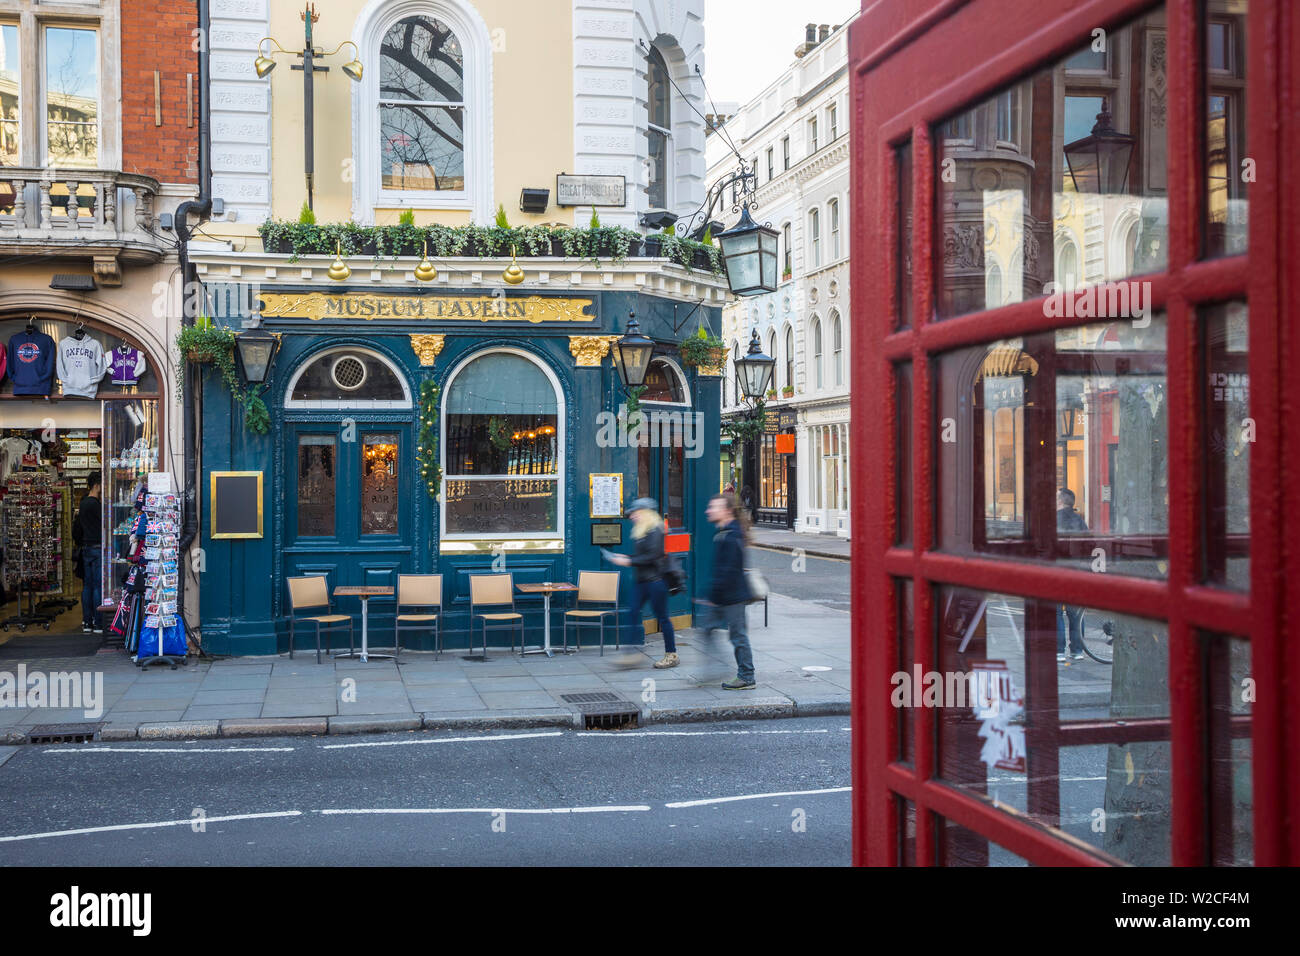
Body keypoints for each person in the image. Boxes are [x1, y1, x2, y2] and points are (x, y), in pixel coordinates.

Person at [606, 497, 678, 668]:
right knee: (632, 613)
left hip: (655, 582)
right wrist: (627, 558)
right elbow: (642, 557)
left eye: (636, 513)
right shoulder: (642, 532)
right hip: (641, 582)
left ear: (646, 513)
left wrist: (629, 561)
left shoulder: (656, 531)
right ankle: (630, 655)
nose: (632, 516)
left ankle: (671, 654)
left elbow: (652, 556)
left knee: (663, 618)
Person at [697, 492, 757, 690]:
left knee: (737, 635)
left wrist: (714, 597)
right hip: (724, 595)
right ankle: (716, 668)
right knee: (707, 630)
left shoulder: (731, 536)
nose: (708, 510)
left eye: (713, 507)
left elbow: (729, 571)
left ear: (727, 511)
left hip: (733, 596)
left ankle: (747, 676)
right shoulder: (724, 533)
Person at [1056, 488, 1088, 662]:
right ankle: (1077, 650)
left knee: (1055, 613)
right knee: (1075, 614)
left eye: (1055, 498)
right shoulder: (1080, 521)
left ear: (1061, 501)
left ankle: (1059, 651)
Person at [78, 477, 103, 634]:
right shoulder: (95, 504)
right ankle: (99, 622)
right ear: (96, 485)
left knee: (87, 585)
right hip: (98, 547)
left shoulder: (83, 503)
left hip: (86, 546)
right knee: (98, 586)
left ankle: (87, 621)